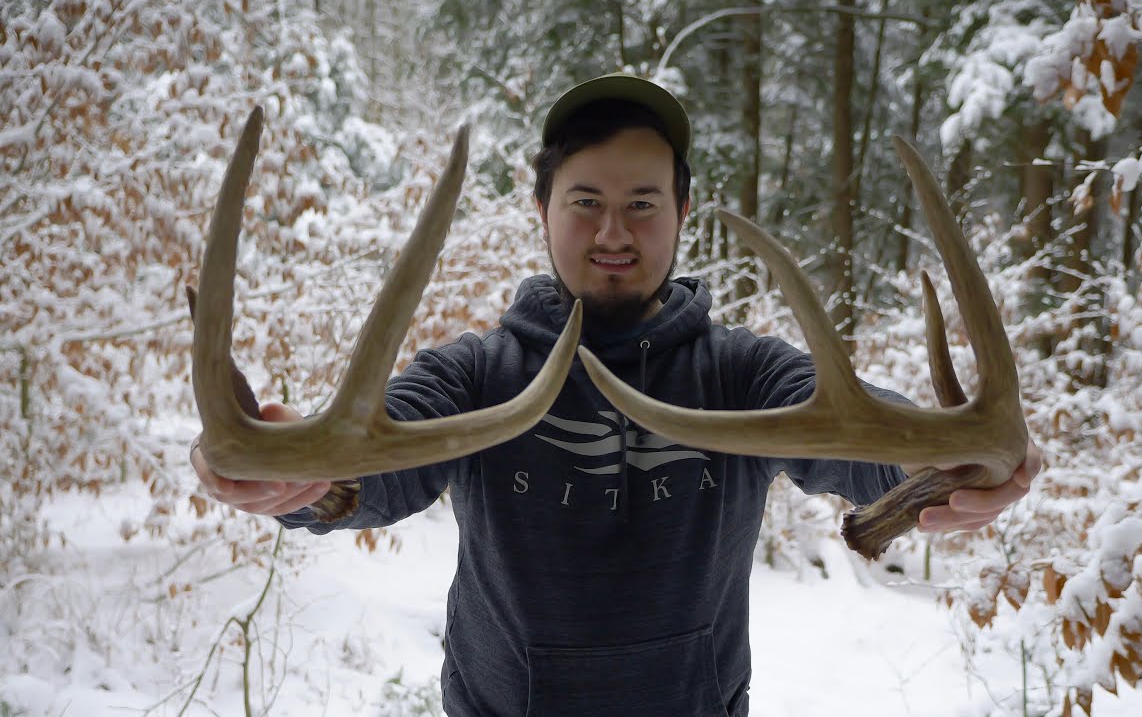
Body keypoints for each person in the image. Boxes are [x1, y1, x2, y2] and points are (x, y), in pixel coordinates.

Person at [192, 73, 1042, 716]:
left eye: (642, 204)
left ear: (682, 211)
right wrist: (293, 483)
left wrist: (955, 466)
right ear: (541, 209)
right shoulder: (477, 375)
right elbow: (367, 480)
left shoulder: (743, 376)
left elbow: (858, 452)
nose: (612, 233)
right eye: (585, 202)